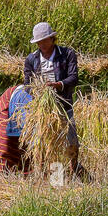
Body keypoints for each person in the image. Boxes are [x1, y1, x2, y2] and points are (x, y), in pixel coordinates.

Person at [23, 22, 83, 177]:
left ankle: (74, 169)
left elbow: (74, 77)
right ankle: (53, 177)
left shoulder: (67, 54)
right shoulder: (32, 59)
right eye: (39, 42)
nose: (42, 44)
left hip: (63, 105)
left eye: (44, 40)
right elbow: (27, 84)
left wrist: (58, 85)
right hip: (43, 109)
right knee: (48, 142)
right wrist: (38, 91)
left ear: (52, 38)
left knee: (71, 140)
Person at [0, 83, 29, 175]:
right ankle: (5, 172)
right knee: (7, 141)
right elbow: (28, 72)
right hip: (14, 98)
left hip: (60, 88)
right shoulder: (11, 96)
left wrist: (60, 84)